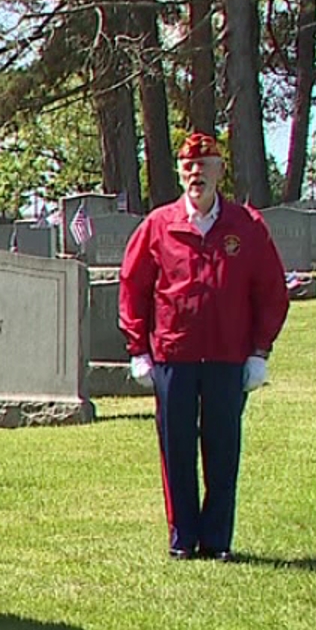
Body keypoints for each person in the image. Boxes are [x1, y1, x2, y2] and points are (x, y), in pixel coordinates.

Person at [119, 130, 289, 561]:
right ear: (180, 173)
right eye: (189, 166)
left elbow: (270, 291)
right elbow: (133, 286)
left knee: (222, 448)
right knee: (176, 450)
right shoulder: (158, 225)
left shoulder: (247, 227)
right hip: (173, 356)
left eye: (206, 165)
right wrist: (139, 349)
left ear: (220, 172)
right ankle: (182, 538)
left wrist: (259, 352)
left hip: (227, 357)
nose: (197, 173)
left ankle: (217, 540)